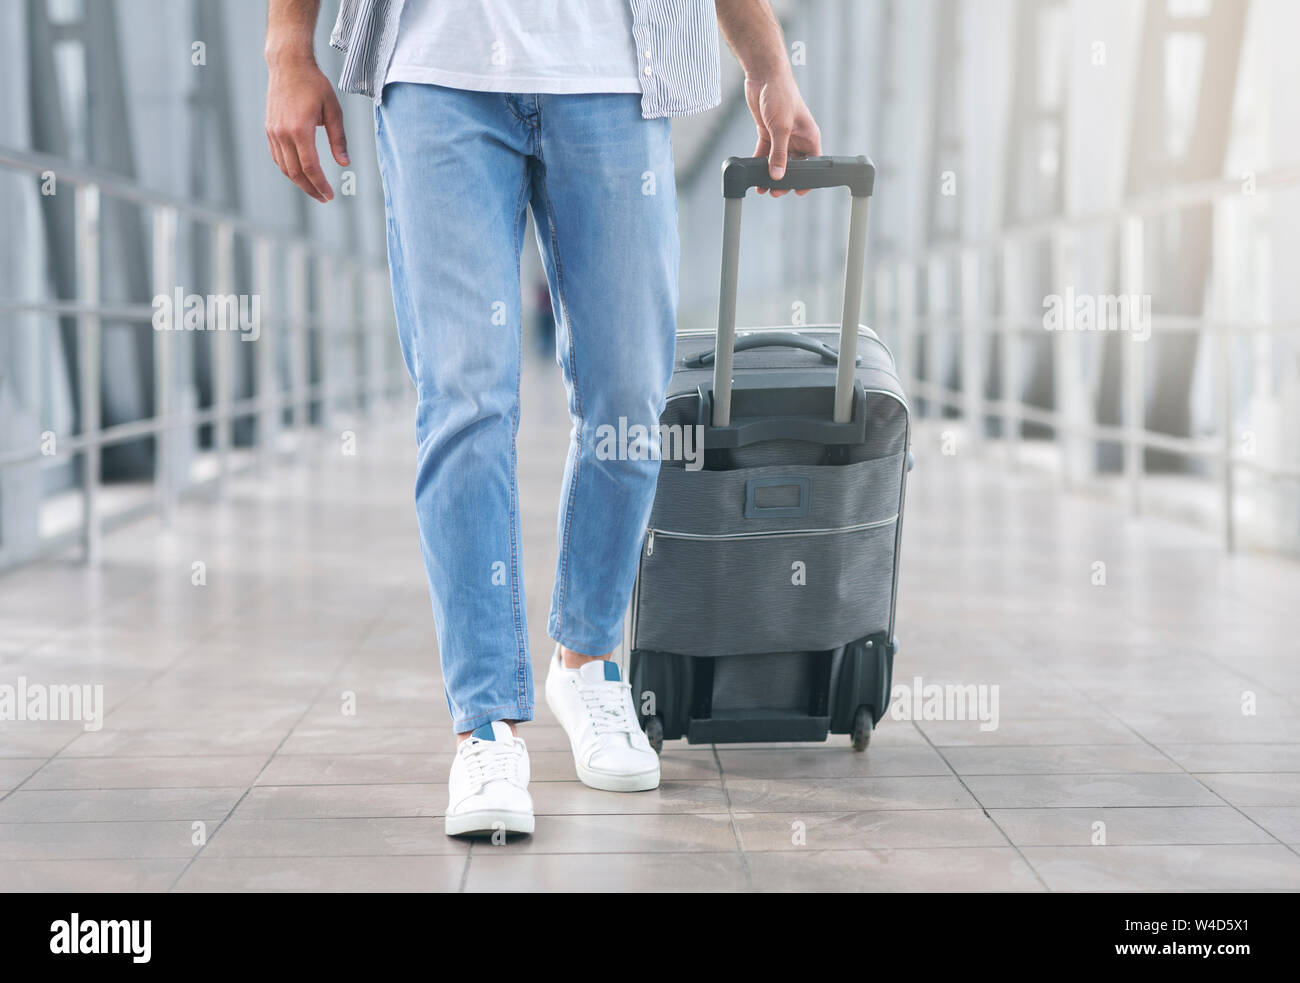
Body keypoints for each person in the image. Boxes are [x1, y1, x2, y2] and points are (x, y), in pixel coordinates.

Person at [264, 0, 821, 836]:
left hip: (614, 73)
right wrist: (286, 49)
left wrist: (768, 63)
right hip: (436, 70)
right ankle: (485, 724)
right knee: (464, 398)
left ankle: (586, 657)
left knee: (630, 396)